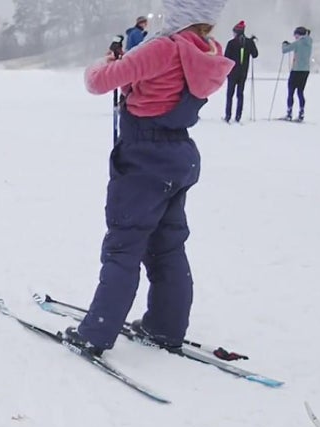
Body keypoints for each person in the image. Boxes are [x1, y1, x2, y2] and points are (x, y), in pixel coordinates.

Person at [62, 0, 234, 357]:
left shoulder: (164, 47)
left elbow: (98, 81)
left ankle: (96, 333)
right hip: (178, 155)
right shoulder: (206, 51)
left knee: (123, 245)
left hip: (144, 158)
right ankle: (165, 327)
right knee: (167, 245)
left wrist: (107, 63)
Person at [222, 20, 258, 123]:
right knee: (240, 94)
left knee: (230, 94)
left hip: (232, 72)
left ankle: (228, 115)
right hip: (243, 73)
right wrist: (252, 43)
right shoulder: (249, 42)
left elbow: (226, 58)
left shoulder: (231, 43)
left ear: (236, 32)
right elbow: (255, 55)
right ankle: (238, 116)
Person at [281, 27, 313, 121]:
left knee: (291, 92)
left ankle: (289, 113)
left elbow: (285, 50)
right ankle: (301, 113)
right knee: (300, 92)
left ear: (298, 34)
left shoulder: (298, 43)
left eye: (295, 35)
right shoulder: (309, 43)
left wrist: (284, 44)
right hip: (305, 71)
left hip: (296, 70)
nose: (294, 37)